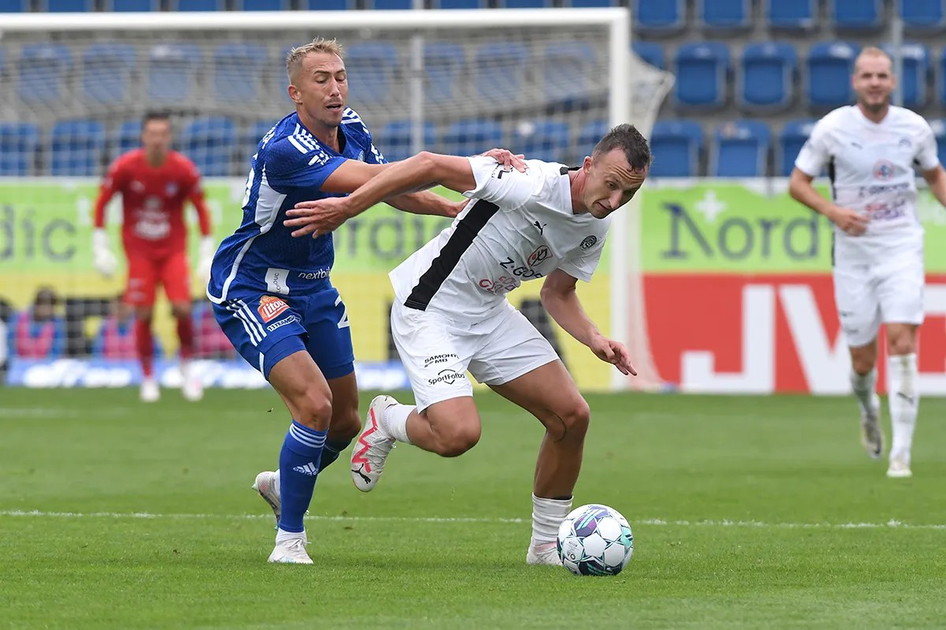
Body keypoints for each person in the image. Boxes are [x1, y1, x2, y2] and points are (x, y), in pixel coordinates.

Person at [206, 37, 523, 565]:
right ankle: (290, 540)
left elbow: (391, 188)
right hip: (253, 285)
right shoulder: (286, 150)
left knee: (346, 422)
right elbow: (374, 179)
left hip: (312, 285)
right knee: (313, 404)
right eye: (321, 80)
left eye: (340, 76)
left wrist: (453, 208)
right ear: (296, 93)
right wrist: (464, 166)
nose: (334, 88)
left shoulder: (349, 126)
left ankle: (285, 485)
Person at [285, 123, 650, 566]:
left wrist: (595, 339)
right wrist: (347, 208)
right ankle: (389, 420)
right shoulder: (527, 181)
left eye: (626, 195)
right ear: (589, 165)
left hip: (490, 313)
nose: (613, 202)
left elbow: (558, 293)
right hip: (430, 309)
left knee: (572, 416)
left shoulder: (595, 226)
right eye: (611, 185)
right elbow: (428, 164)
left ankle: (544, 546)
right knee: (458, 435)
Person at [789, 46, 946, 479]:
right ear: (855, 82)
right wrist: (835, 212)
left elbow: (934, 174)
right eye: (867, 76)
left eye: (882, 75)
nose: (875, 82)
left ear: (893, 81)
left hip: (901, 247)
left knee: (901, 340)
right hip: (854, 254)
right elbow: (798, 184)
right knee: (862, 361)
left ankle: (902, 455)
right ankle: (867, 408)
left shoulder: (914, 128)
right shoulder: (833, 129)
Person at [92, 111, 214, 403]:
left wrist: (206, 254)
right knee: (143, 313)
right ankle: (148, 377)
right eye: (152, 134)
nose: (157, 139)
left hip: (172, 251)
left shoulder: (182, 170)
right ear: (144, 136)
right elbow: (101, 204)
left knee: (182, 309)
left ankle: (186, 367)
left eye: (163, 134)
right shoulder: (126, 167)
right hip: (139, 253)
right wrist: (100, 247)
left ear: (169, 137)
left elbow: (201, 209)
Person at [91, 293, 163, 360]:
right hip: (110, 370)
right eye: (118, 306)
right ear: (112, 308)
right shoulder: (105, 326)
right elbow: (97, 354)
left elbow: (157, 353)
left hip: (137, 370)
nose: (121, 310)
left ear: (131, 307)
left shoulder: (142, 325)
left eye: (124, 306)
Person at [8, 286, 67, 359]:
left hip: (45, 366)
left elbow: (57, 350)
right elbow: (10, 346)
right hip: (19, 364)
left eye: (51, 305)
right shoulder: (18, 318)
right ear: (36, 304)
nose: (47, 309)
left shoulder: (57, 322)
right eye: (43, 304)